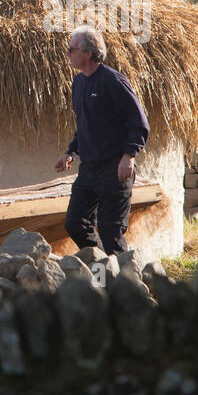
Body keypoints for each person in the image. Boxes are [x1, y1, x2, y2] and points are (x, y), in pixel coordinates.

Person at [54, 25, 149, 255]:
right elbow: (86, 127)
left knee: (110, 229)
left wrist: (129, 156)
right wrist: (71, 153)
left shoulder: (113, 81)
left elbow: (139, 123)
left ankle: (126, 284)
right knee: (75, 222)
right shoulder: (78, 84)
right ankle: (102, 265)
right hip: (89, 169)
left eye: (71, 49)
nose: (67, 54)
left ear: (88, 53)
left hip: (114, 168)